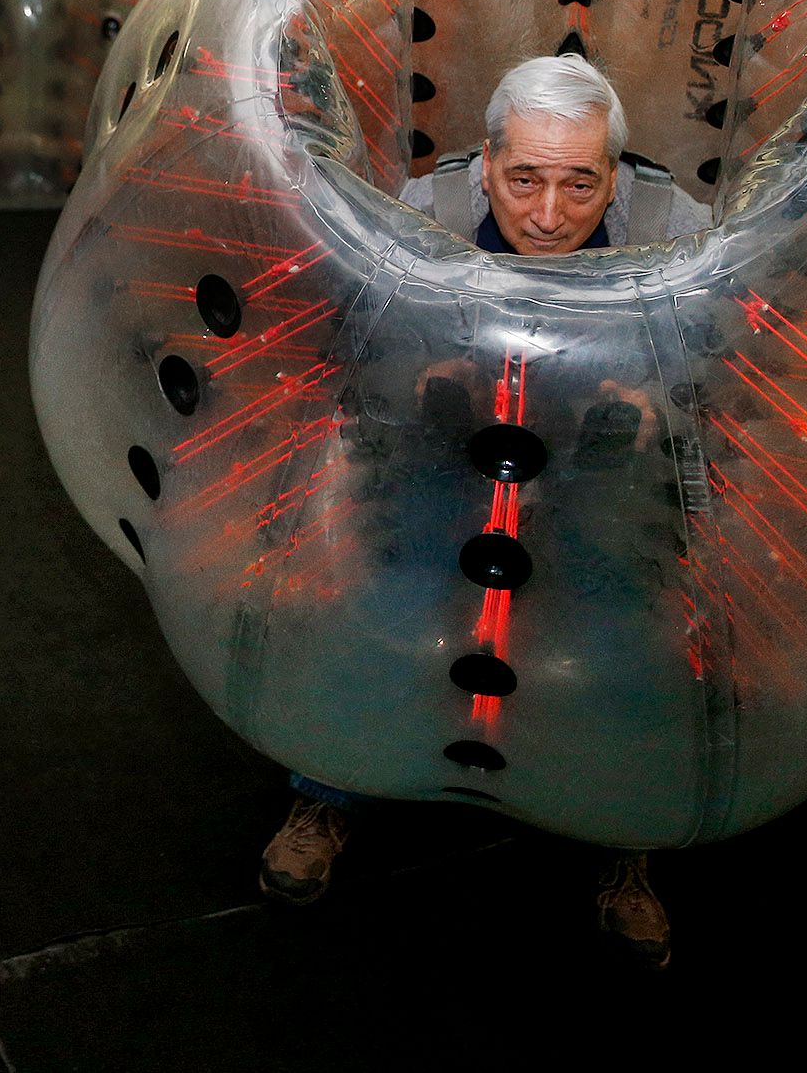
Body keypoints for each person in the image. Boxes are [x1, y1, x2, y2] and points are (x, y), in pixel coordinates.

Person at [256, 54, 707, 968]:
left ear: (613, 175)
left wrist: (670, 396)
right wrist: (412, 377)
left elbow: (735, 361)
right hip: (445, 447)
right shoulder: (422, 216)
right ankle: (328, 787)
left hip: (600, 460)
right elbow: (342, 354)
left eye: (580, 184)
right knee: (393, 592)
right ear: (488, 160)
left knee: (625, 621)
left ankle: (628, 839)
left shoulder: (677, 231)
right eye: (524, 180)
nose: (549, 214)